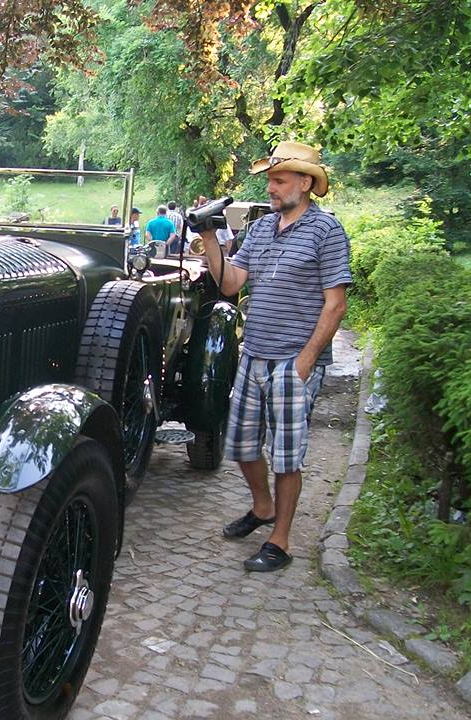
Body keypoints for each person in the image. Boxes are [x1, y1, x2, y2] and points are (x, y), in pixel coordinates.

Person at [195, 141, 351, 573]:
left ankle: (279, 541)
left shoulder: (326, 232)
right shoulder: (262, 230)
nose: (272, 188)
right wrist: (210, 238)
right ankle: (262, 508)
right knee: (242, 447)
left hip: (293, 361)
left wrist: (305, 361)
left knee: (286, 456)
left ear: (306, 183)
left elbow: (335, 304)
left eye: (280, 180)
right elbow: (231, 283)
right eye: (270, 181)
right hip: (255, 355)